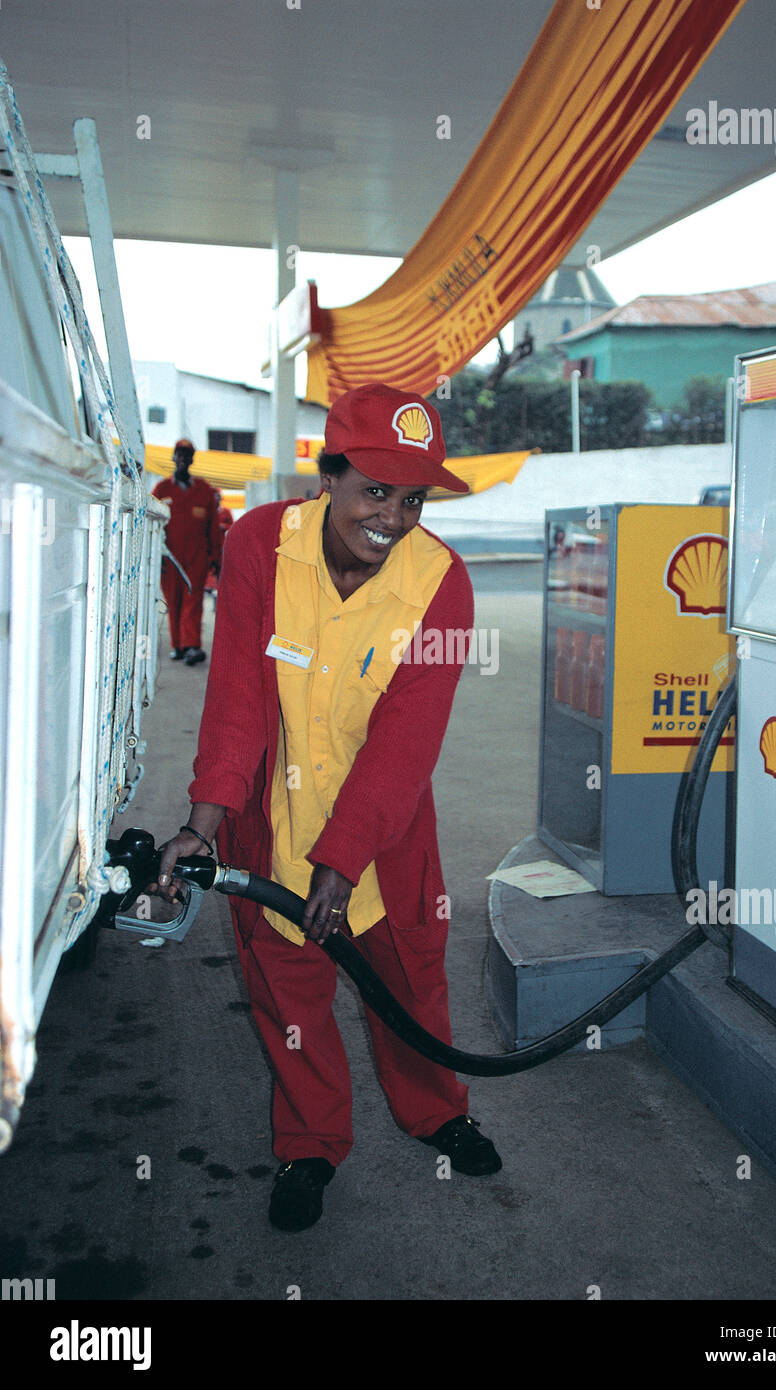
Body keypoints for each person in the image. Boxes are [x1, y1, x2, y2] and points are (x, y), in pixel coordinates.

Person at [150, 384, 502, 1232]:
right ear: (328, 475)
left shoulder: (442, 585)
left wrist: (343, 859)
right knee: (291, 998)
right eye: (374, 490)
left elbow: (406, 745)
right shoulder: (261, 545)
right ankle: (310, 1144)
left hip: (385, 837)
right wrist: (204, 819)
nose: (392, 517)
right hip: (268, 824)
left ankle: (437, 1111)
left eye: (412, 498)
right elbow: (234, 698)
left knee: (412, 986)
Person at [152, 439, 222, 665]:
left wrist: (216, 557)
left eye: (187, 456)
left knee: (193, 599)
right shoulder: (162, 489)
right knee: (174, 600)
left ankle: (192, 645)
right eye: (179, 455)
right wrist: (153, 555)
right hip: (168, 556)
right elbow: (150, 523)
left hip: (196, 556)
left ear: (192, 460)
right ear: (173, 458)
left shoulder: (203, 490)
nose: (183, 460)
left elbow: (213, 525)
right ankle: (178, 646)